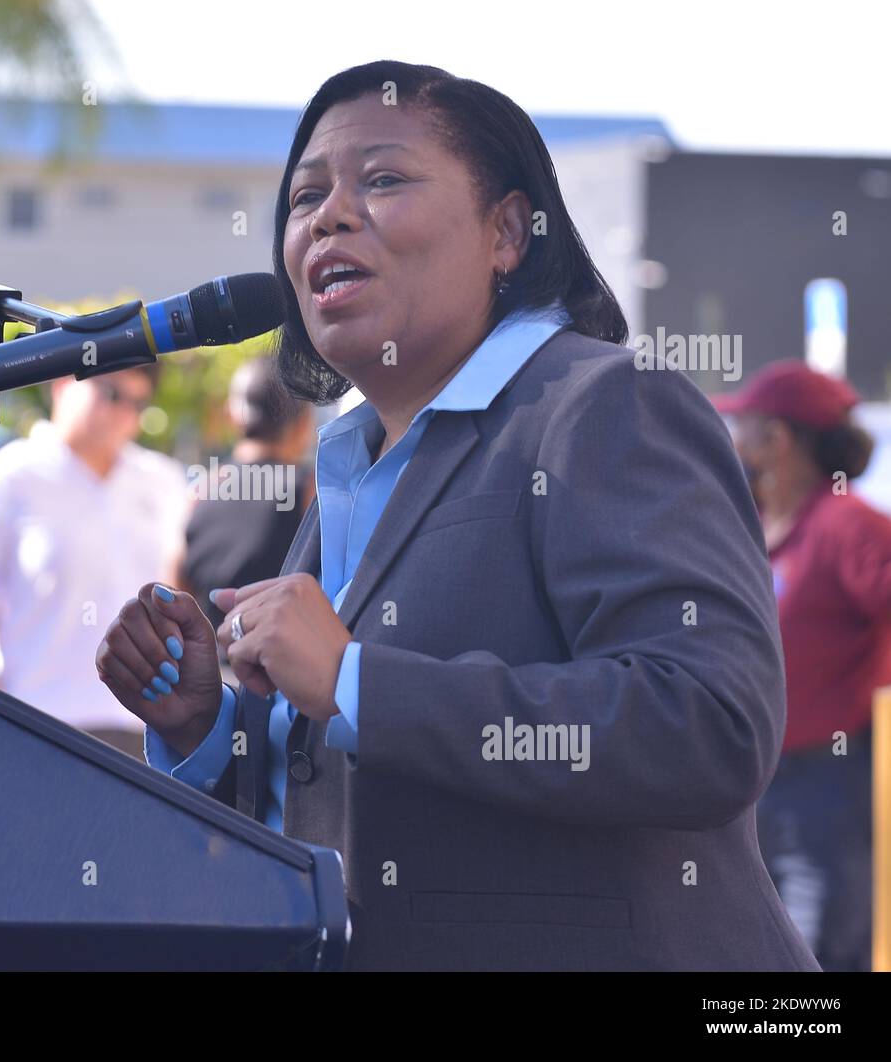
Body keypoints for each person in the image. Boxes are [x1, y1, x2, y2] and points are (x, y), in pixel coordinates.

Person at [94, 60, 820, 970]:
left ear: (508, 231)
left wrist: (356, 679)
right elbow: (367, 788)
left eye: (384, 179)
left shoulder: (602, 406)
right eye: (305, 196)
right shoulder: (354, 462)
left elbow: (711, 726)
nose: (329, 215)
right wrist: (208, 729)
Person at [715, 360, 890, 971]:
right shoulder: (758, 524)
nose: (732, 438)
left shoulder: (849, 525)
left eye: (745, 424)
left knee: (820, 953)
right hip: (756, 781)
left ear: (778, 439)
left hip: (825, 780)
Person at [0, 364, 188, 759]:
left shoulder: (163, 481)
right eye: (112, 394)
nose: (123, 413)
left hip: (148, 735)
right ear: (64, 386)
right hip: (40, 730)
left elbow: (180, 596)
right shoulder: (6, 475)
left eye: (138, 402)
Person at [177, 355, 316, 650]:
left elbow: (175, 594)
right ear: (303, 423)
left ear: (233, 416)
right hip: (284, 673)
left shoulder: (199, 492)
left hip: (211, 674)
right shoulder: (311, 491)